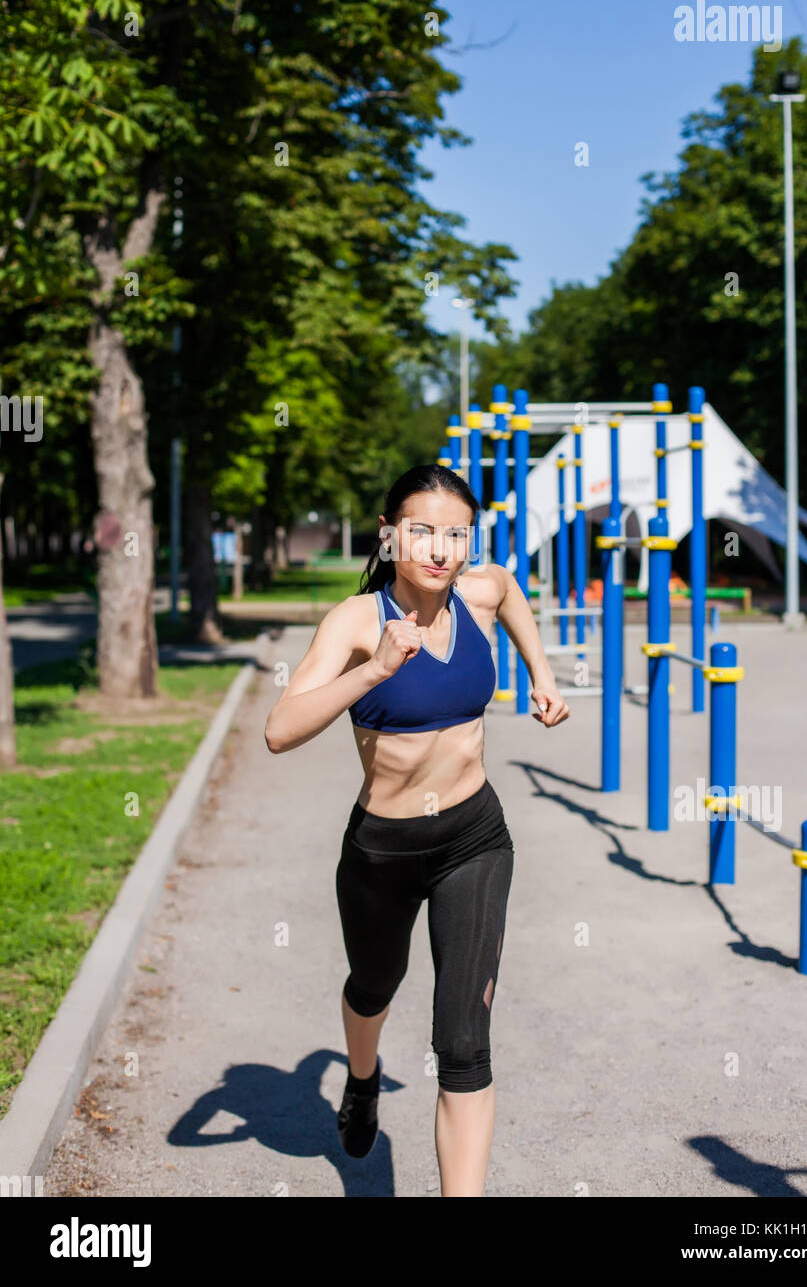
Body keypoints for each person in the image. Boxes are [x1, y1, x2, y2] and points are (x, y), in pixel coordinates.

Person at [264, 463, 568, 1195]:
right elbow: (280, 730)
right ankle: (362, 1078)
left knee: (464, 1045)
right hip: (382, 850)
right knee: (374, 984)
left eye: (457, 533)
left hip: (473, 840)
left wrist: (542, 672)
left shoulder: (479, 591)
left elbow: (513, 595)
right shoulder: (355, 621)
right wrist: (372, 672)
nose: (441, 548)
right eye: (424, 531)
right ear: (390, 533)